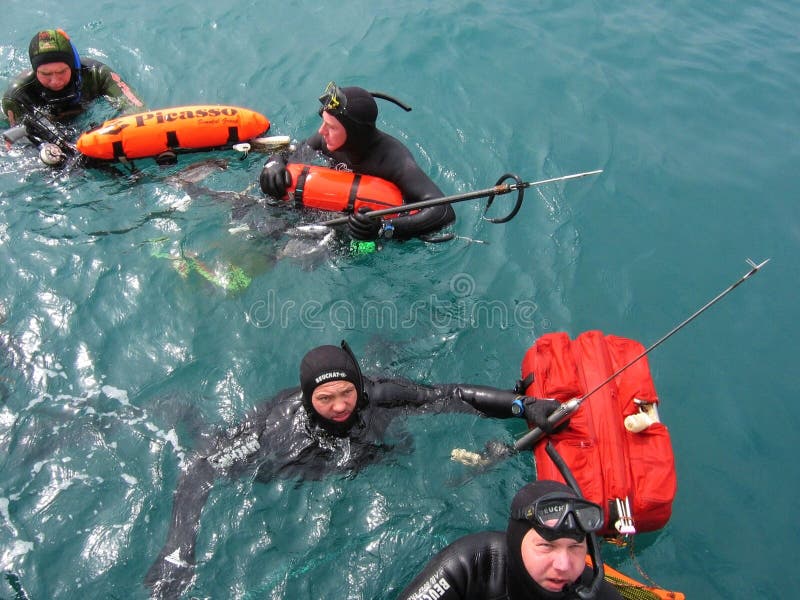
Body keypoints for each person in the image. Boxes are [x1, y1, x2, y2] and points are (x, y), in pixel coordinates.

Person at [144, 341, 562, 599]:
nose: (341, 406)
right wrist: (179, 548)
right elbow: (202, 469)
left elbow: (450, 394)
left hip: (372, 451)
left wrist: (522, 406)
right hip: (297, 469)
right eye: (326, 398)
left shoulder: (377, 394)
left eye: (347, 392)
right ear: (309, 399)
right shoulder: (274, 427)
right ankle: (181, 411)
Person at [259, 81, 455, 242]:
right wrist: (273, 163)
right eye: (323, 123)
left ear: (354, 132)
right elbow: (290, 156)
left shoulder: (394, 161)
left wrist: (384, 228)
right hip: (329, 206)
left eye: (331, 127)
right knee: (266, 227)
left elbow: (443, 211)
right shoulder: (326, 141)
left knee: (348, 248)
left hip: (365, 236)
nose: (321, 131)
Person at [397, 479, 624, 600]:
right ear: (516, 542)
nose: (564, 565)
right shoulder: (469, 566)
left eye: (575, 547)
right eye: (546, 546)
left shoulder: (596, 592)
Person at [2, 28, 143, 152]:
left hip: (85, 119)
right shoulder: (17, 95)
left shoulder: (96, 74)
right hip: (45, 128)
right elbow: (19, 141)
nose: (55, 81)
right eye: (46, 74)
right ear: (35, 70)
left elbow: (135, 108)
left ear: (72, 66)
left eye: (62, 71)